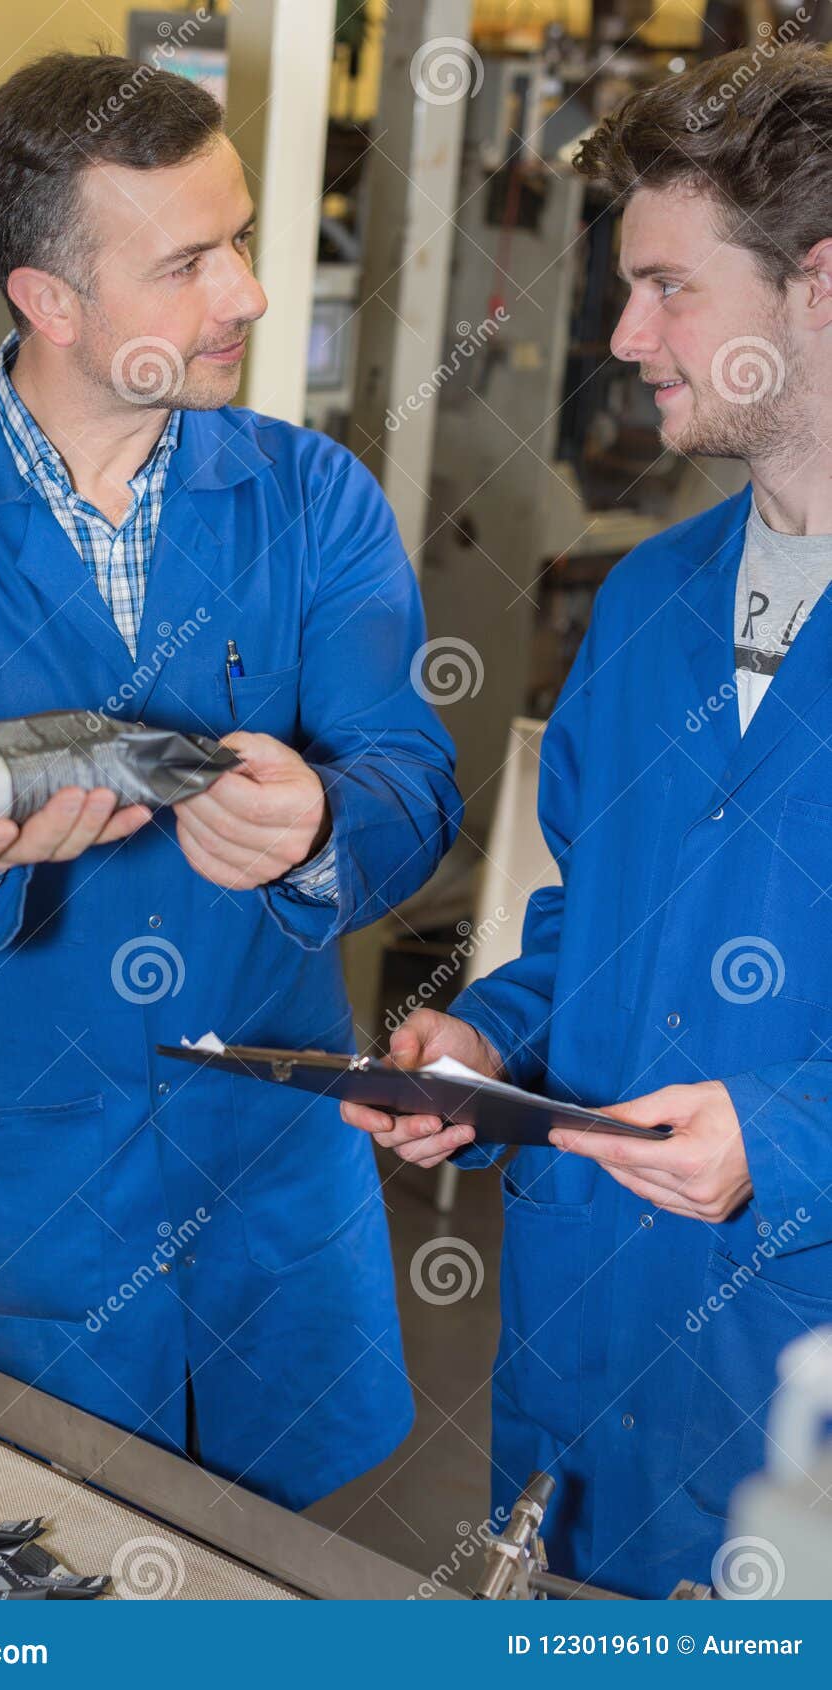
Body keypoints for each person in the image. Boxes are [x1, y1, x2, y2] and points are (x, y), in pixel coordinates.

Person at [0, 52, 461, 1511]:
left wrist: (324, 824)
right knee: (52, 1573)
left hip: (272, 1175)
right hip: (30, 1201)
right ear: (48, 299)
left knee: (271, 1579)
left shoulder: (314, 498)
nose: (250, 296)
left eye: (242, 241)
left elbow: (413, 773)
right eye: (191, 263)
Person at [343, 42, 832, 1596]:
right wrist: (490, 1044)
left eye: (669, 287)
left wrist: (788, 1135)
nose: (623, 336)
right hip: (587, 1382)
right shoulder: (650, 605)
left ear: (819, 286)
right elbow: (592, 930)